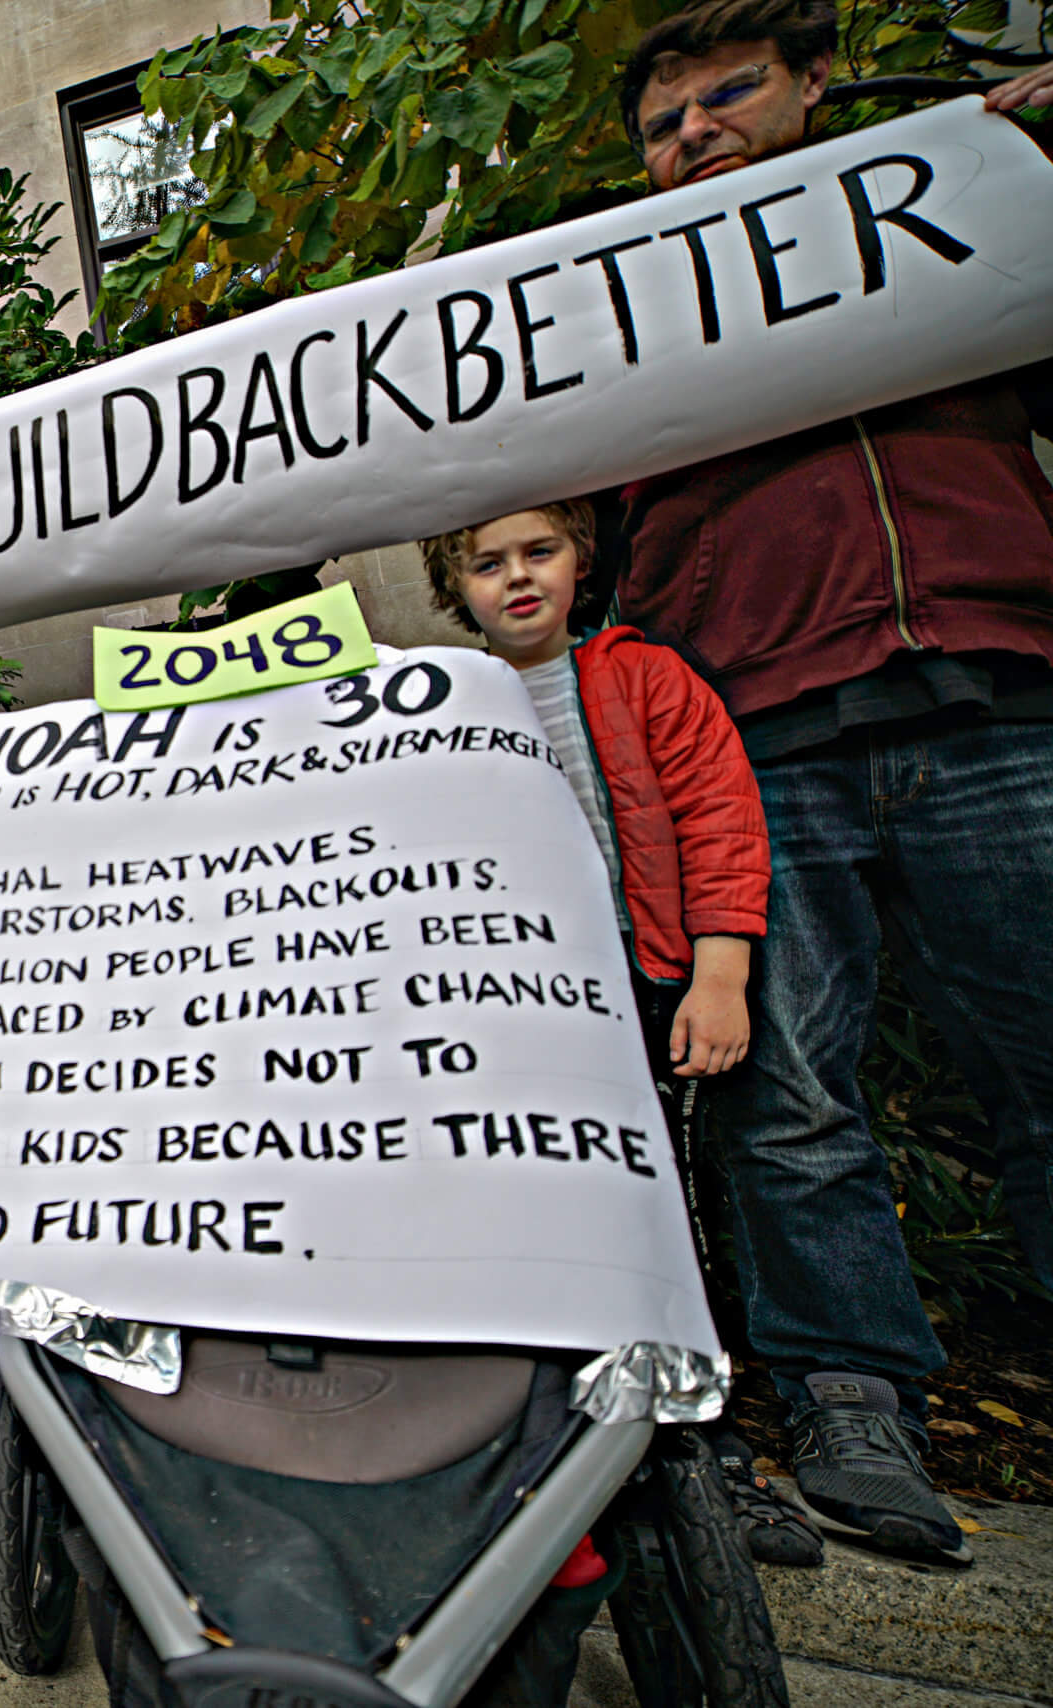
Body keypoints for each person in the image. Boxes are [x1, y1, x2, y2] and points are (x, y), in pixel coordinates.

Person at [612, 0, 1053, 1565]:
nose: (697, 137)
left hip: (996, 696)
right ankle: (851, 1402)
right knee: (789, 1093)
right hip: (749, 741)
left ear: (816, 89)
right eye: (665, 127)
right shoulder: (614, 314)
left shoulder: (952, 220)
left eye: (730, 97)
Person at [423, 505, 818, 1566]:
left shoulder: (643, 676)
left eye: (536, 553)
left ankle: (708, 1452)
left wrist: (719, 969)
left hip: (639, 992)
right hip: (516, 1014)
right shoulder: (443, 700)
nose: (514, 579)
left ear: (580, 563)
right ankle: (550, 1437)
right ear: (452, 585)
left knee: (674, 1225)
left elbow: (718, 815)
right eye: (484, 563)